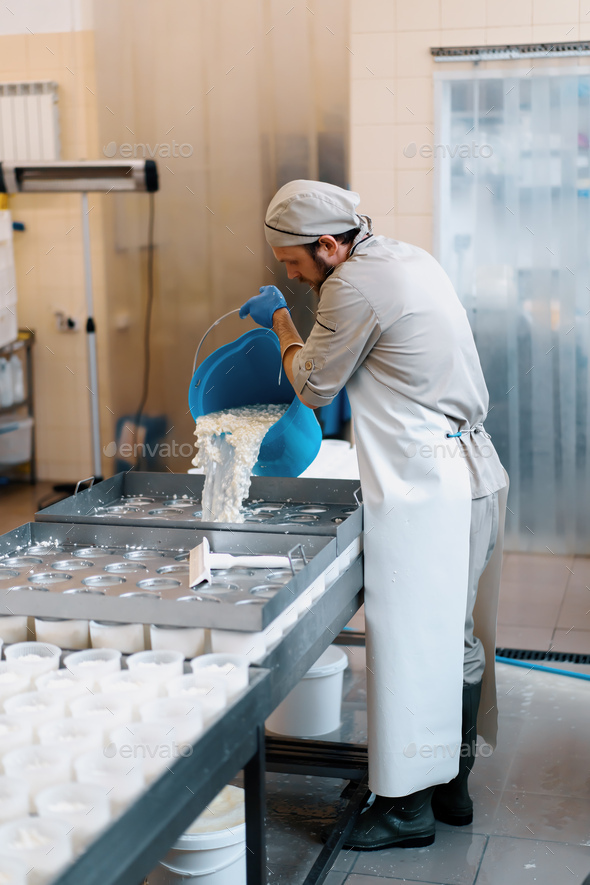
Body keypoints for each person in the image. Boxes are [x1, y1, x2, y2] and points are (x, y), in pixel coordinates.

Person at [239, 180, 508, 851]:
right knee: (453, 639)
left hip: (428, 488)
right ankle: (449, 786)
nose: (291, 275)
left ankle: (407, 808)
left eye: (295, 263)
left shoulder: (351, 286)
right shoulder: (407, 258)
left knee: (413, 642)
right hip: (471, 471)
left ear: (330, 246)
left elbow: (313, 384)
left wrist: (280, 322)